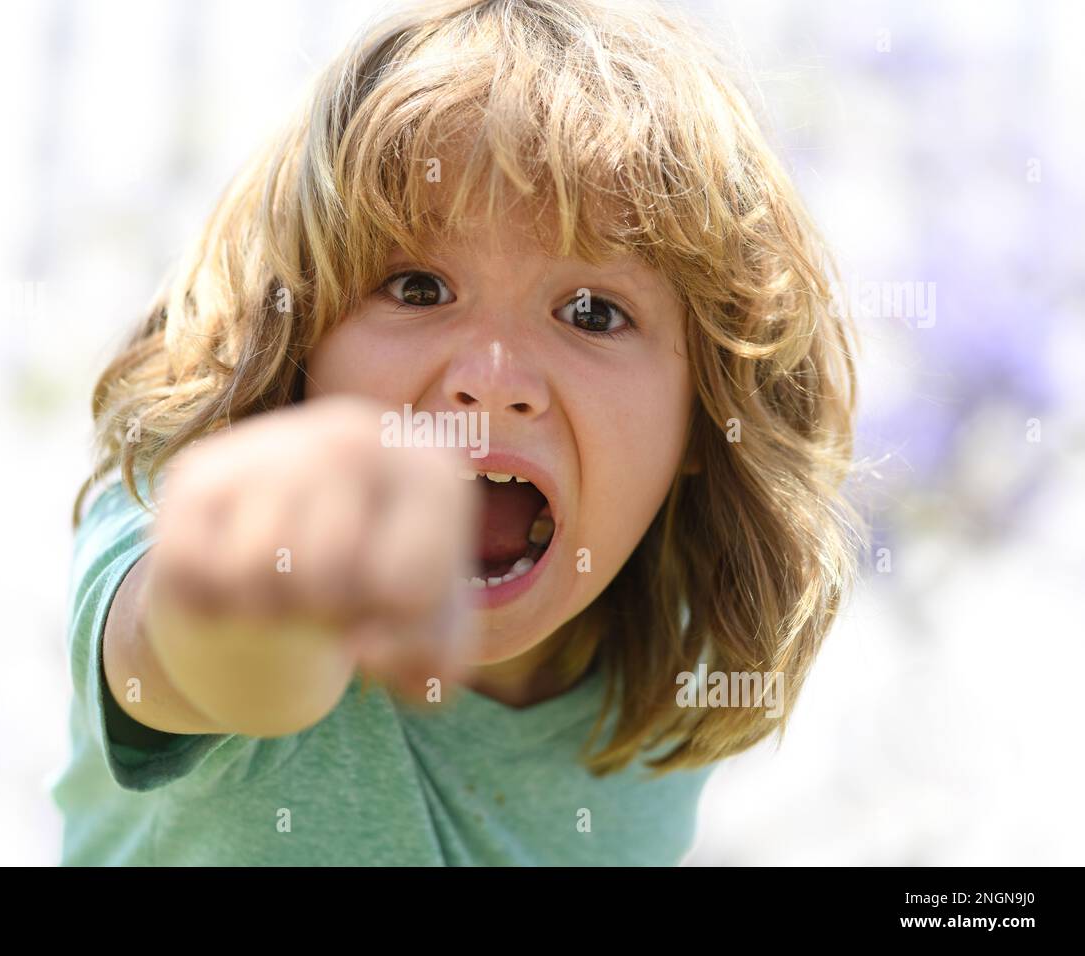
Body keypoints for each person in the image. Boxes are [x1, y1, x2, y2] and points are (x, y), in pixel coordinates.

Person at [50, 0, 860, 866]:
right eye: (418, 289)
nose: (493, 378)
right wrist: (253, 566)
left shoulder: (665, 681)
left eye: (592, 312)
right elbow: (201, 656)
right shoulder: (182, 519)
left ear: (706, 415)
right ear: (292, 345)